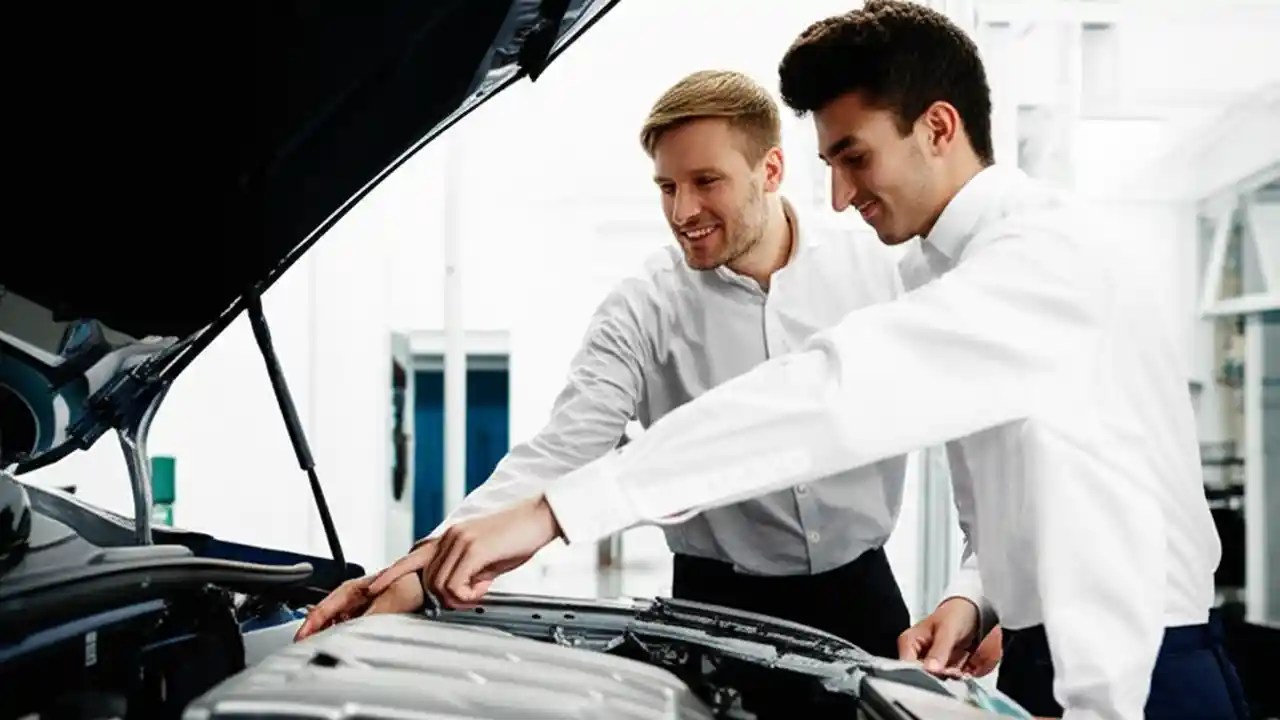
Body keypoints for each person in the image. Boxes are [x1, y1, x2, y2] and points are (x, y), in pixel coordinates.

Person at [403, 3, 1249, 719]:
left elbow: (831, 396)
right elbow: (1032, 481)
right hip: (970, 639)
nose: (840, 194)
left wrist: (559, 512)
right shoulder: (941, 269)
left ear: (939, 127)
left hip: (1135, 669)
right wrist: (982, 594)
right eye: (831, 163)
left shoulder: (1036, 260)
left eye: (855, 157)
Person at [295, 68, 964, 662]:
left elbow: (970, 426)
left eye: (706, 182)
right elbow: (560, 455)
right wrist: (419, 565)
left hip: (863, 599)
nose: (682, 211)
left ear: (770, 171)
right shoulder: (643, 309)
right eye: (667, 186)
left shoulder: (878, 275)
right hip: (712, 609)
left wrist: (978, 588)